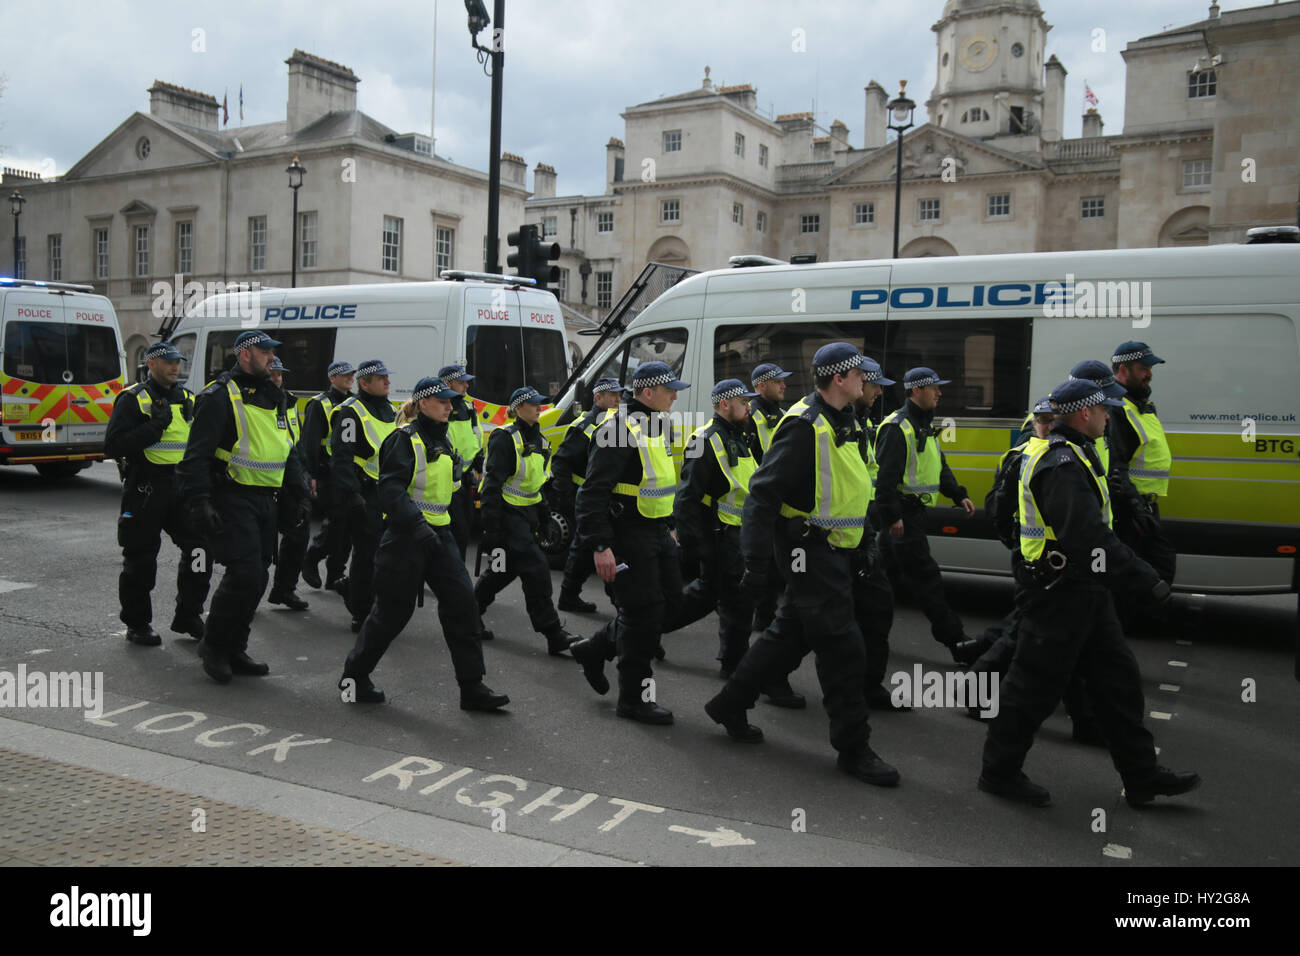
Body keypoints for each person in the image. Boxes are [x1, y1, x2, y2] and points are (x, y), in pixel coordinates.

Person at [979, 377, 1199, 808]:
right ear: (1084, 413)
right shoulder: (1061, 464)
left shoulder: (1078, 454)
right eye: (1103, 411)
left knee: (1118, 683)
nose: (1108, 418)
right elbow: (1088, 536)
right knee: (1031, 689)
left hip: (1085, 591)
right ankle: (998, 772)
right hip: (1057, 594)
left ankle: (1140, 776)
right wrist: (1145, 579)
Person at [704, 343, 900, 786]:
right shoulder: (804, 426)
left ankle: (730, 702)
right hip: (810, 553)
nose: (866, 383)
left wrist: (866, 540)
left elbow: (850, 490)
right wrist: (754, 564)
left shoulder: (846, 421)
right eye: (859, 376)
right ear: (840, 379)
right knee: (843, 650)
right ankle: (854, 749)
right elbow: (762, 496)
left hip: (840, 552)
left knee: (787, 638)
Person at [339, 377, 509, 711]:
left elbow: (444, 490)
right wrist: (416, 525)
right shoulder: (404, 440)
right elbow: (389, 490)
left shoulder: (442, 440)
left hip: (439, 536)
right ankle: (354, 678)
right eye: (443, 401)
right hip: (406, 538)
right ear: (422, 404)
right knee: (390, 615)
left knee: (463, 607)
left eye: (451, 402)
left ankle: (472, 688)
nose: (450, 406)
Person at [176, 330, 311, 684]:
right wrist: (200, 501)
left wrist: (297, 496)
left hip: (267, 499)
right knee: (245, 574)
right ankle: (215, 647)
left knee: (258, 578)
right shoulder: (220, 395)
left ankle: (235, 647)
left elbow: (287, 449)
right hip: (232, 496)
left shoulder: (276, 395)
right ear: (245, 354)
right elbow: (196, 456)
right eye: (266, 352)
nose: (272, 358)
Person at [568, 361, 689, 724]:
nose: (674, 396)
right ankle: (634, 700)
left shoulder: (658, 425)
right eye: (670, 390)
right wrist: (600, 545)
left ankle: (595, 648)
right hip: (628, 534)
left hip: (656, 530)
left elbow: (658, 481)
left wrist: (668, 524)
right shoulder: (617, 429)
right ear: (648, 393)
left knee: (669, 605)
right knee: (642, 618)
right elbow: (591, 493)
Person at [105, 340, 210, 646]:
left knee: (201, 550)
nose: (175, 367)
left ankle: (188, 614)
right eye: (168, 362)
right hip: (146, 487)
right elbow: (113, 446)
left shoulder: (188, 397)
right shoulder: (133, 399)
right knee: (140, 558)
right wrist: (155, 427)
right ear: (151, 364)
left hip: (182, 487)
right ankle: (137, 623)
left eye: (178, 361)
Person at [874, 366, 978, 665]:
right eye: (934, 388)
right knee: (926, 579)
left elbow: (937, 465)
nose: (940, 393)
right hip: (904, 518)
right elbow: (884, 479)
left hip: (911, 516)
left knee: (880, 584)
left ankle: (863, 634)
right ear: (916, 390)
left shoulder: (923, 424)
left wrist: (958, 494)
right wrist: (893, 516)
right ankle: (956, 640)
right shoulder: (898, 427)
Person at [474, 386, 577, 656]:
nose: (539, 407)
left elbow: (537, 484)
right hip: (508, 515)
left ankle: (469, 614)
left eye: (540, 403)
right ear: (518, 408)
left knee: (502, 570)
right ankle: (553, 633)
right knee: (537, 570)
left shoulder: (541, 440)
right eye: (533, 404)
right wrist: (491, 528)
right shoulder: (504, 439)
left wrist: (543, 517)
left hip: (528, 514)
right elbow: (492, 485)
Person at [670, 379, 760, 678]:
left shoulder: (739, 435)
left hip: (737, 535)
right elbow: (687, 496)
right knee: (735, 602)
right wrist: (692, 545)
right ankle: (735, 666)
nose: (749, 407)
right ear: (724, 404)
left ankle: (640, 629)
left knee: (713, 598)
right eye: (744, 402)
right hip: (719, 536)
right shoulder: (703, 440)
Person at [1107, 342, 1177, 631]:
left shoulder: (1143, 406)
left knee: (1157, 568)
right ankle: (1113, 631)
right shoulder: (1118, 409)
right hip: (1129, 508)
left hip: (1145, 504)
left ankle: (1121, 625)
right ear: (1123, 370)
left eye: (1150, 368)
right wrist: (1136, 511)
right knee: (1139, 572)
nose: (1149, 374)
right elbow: (1117, 467)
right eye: (1143, 368)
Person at [330, 359, 398, 632]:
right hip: (363, 492)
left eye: (387, 377)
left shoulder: (391, 410)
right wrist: (352, 494)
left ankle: (362, 594)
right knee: (367, 554)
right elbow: (342, 457)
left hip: (387, 492)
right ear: (364, 383)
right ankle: (360, 609)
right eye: (381, 378)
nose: (387, 382)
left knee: (386, 553)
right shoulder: (350, 412)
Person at [548, 377, 623, 613]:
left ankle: (569, 596)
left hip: (602, 498)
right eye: (612, 396)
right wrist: (568, 497)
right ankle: (621, 604)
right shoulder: (587, 426)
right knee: (608, 548)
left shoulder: (617, 424)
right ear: (598, 398)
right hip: (587, 498)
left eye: (619, 395)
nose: (618, 400)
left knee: (582, 549)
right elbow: (561, 461)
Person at [301, 360, 356, 594]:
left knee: (349, 526)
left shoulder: (355, 404)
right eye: (344, 375)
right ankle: (313, 557)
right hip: (328, 472)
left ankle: (335, 574)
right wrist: (311, 474)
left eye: (351, 375)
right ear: (332, 378)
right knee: (337, 523)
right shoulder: (319, 404)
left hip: (350, 472)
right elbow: (310, 443)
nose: (349, 378)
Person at [745, 362, 792, 633]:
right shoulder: (750, 417)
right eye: (778, 381)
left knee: (777, 564)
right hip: (762, 502)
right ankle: (758, 614)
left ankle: (766, 614)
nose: (784, 385)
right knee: (763, 562)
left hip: (780, 501)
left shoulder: (784, 415)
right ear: (761, 386)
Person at [267, 357, 311, 611]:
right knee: (262, 546)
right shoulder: (255, 401)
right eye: (272, 374)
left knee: (298, 535)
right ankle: (245, 596)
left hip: (292, 477)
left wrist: (305, 473)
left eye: (279, 375)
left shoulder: (290, 401)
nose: (277, 379)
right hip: (263, 479)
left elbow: (297, 440)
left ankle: (284, 589)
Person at [438, 363, 484, 561]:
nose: (466, 386)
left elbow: (476, 437)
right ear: (448, 383)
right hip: (444, 478)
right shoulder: (438, 407)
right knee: (450, 529)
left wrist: (479, 465)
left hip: (464, 478)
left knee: (464, 529)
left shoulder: (468, 406)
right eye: (461, 382)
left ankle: (457, 573)